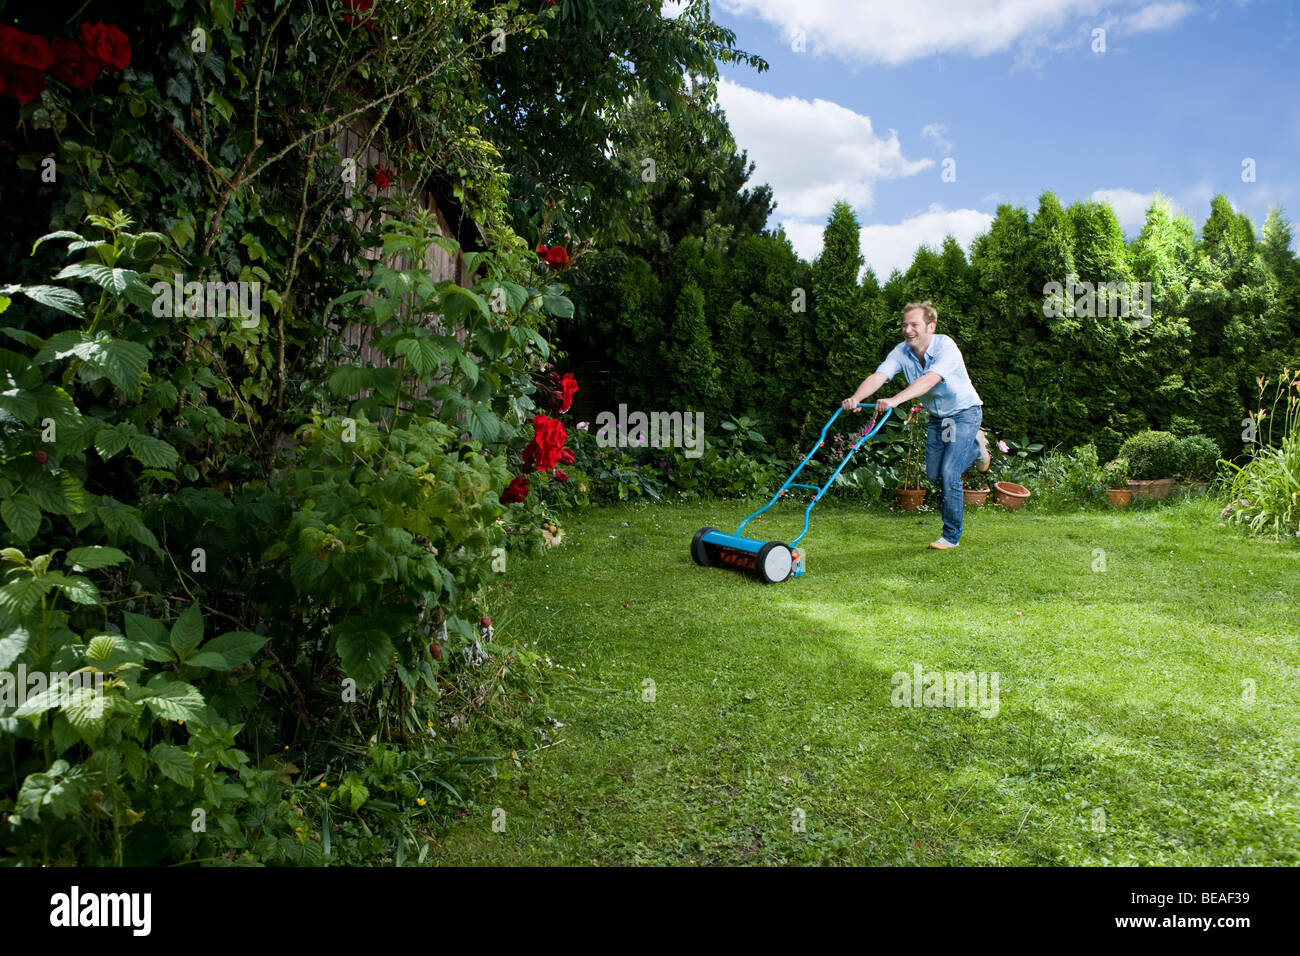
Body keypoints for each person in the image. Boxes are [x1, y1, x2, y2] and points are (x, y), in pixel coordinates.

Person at [841, 301, 989, 549]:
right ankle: (976, 447)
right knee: (934, 475)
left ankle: (951, 536)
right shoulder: (901, 352)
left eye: (914, 324)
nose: (907, 330)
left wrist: (895, 400)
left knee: (949, 473)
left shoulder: (946, 347)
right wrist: (857, 398)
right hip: (938, 418)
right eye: (904, 325)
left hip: (965, 413)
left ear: (931, 326)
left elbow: (930, 380)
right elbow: (880, 375)